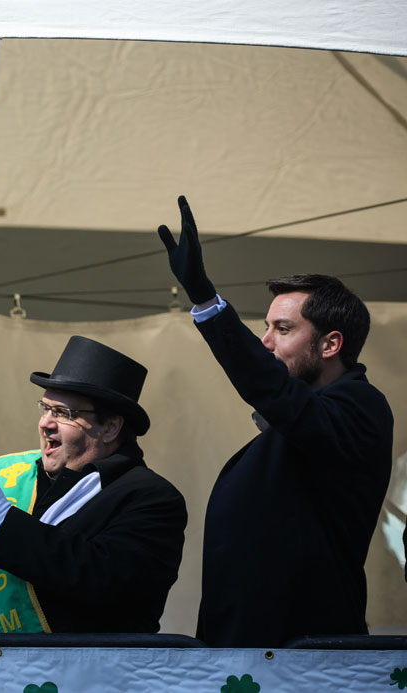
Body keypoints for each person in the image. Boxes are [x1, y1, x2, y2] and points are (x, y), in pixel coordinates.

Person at [157, 195, 393, 647]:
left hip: (301, 658)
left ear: (329, 345)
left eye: (282, 330)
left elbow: (277, 393)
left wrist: (206, 300)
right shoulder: (301, 421)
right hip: (248, 654)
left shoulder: (359, 407)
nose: (265, 341)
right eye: (265, 327)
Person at [0, 336, 186, 634]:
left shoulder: (150, 497)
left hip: (81, 673)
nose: (45, 423)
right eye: (45, 408)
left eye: (63, 413)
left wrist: (5, 519)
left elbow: (103, 580)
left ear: (110, 427)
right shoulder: (12, 473)